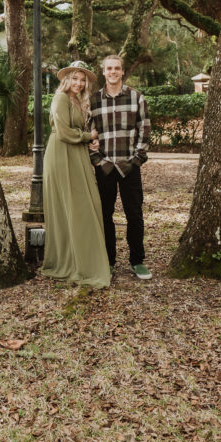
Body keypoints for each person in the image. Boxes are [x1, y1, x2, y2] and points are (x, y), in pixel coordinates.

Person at [42, 61, 111, 289]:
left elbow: (82, 131)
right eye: (75, 78)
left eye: (83, 80)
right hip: (61, 154)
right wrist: (88, 137)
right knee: (69, 205)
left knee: (85, 204)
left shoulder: (80, 101)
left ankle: (85, 258)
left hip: (77, 155)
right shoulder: (60, 97)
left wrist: (90, 140)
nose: (79, 83)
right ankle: (69, 261)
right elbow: (63, 132)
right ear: (66, 79)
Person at [89, 54, 152, 279]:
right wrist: (97, 160)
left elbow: (145, 129)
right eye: (109, 69)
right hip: (104, 167)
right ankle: (108, 262)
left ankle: (137, 261)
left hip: (129, 166)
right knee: (104, 215)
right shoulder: (93, 100)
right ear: (103, 72)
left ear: (122, 71)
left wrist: (136, 160)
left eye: (117, 68)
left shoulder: (136, 97)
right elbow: (87, 133)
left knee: (134, 214)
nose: (113, 72)